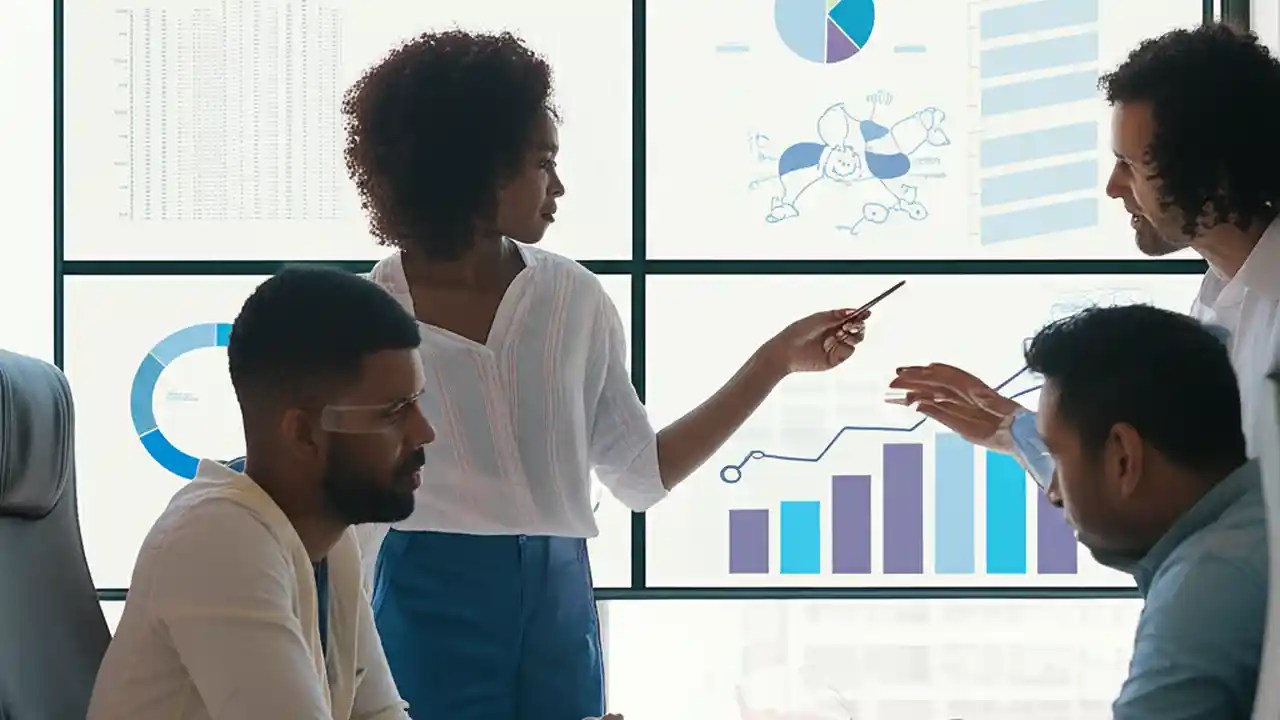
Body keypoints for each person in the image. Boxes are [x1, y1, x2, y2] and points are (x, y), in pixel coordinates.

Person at [341, 29, 870, 719]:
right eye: (542, 162)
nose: (558, 185)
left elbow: (640, 477)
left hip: (562, 599)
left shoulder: (574, 298)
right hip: (421, 596)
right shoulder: (367, 318)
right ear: (476, 167)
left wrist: (773, 362)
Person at [890, 22, 1280, 475]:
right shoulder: (1223, 295)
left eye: (1130, 166)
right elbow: (1190, 496)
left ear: (1214, 177)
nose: (1113, 188)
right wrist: (1023, 435)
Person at [86, 266, 433, 719]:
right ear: (304, 434)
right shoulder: (216, 540)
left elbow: (378, 713)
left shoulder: (332, 543)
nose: (424, 432)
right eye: (394, 412)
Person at [1026, 305, 1266, 718]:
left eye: (1057, 458)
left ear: (1123, 457)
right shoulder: (1258, 516)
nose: (1053, 493)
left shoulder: (1210, 578)